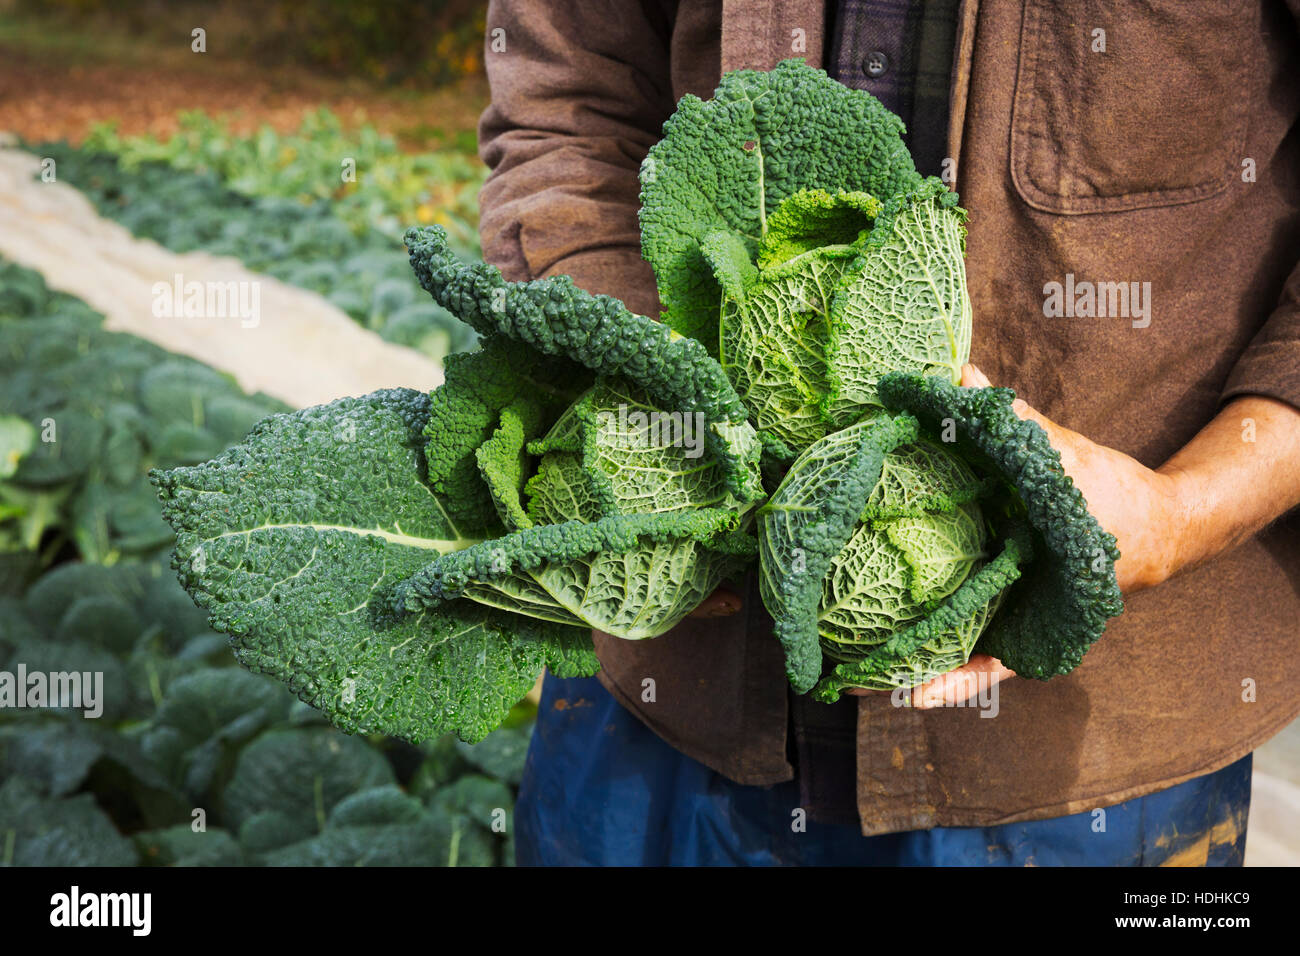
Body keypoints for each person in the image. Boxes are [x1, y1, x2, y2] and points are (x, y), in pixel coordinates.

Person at [475, 0, 1300, 865]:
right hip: (668, 692)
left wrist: (1184, 510)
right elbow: (566, 97)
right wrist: (655, 421)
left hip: (1091, 758)